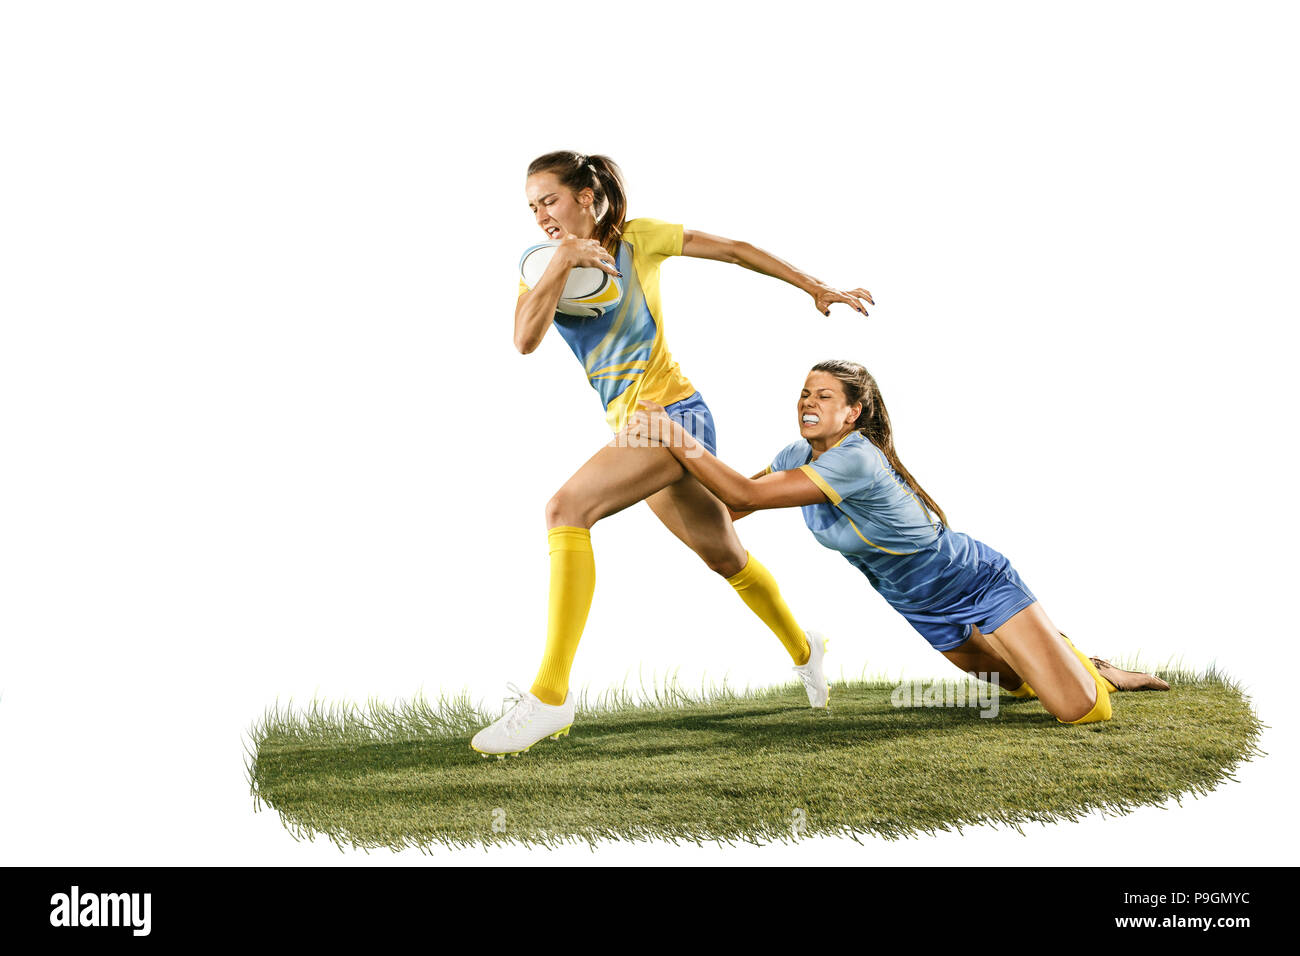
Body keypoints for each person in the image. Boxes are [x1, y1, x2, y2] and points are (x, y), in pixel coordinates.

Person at [470, 153, 875, 757]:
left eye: (548, 200)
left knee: (565, 509)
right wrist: (559, 264)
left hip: (675, 416)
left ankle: (549, 696)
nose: (540, 216)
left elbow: (734, 248)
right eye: (531, 207)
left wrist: (815, 286)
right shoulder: (540, 266)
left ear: (586, 196)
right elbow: (524, 340)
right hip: (637, 428)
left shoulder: (637, 241)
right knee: (725, 555)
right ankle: (804, 648)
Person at [623, 359, 1169, 726]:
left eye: (824, 395)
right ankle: (1053, 655)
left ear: (853, 412)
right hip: (915, 604)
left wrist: (675, 434)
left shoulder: (856, 456)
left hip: (975, 580)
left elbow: (741, 491)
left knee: (1079, 712)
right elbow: (729, 509)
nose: (807, 402)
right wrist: (650, 481)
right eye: (803, 394)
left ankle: (1096, 670)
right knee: (1016, 687)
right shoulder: (795, 455)